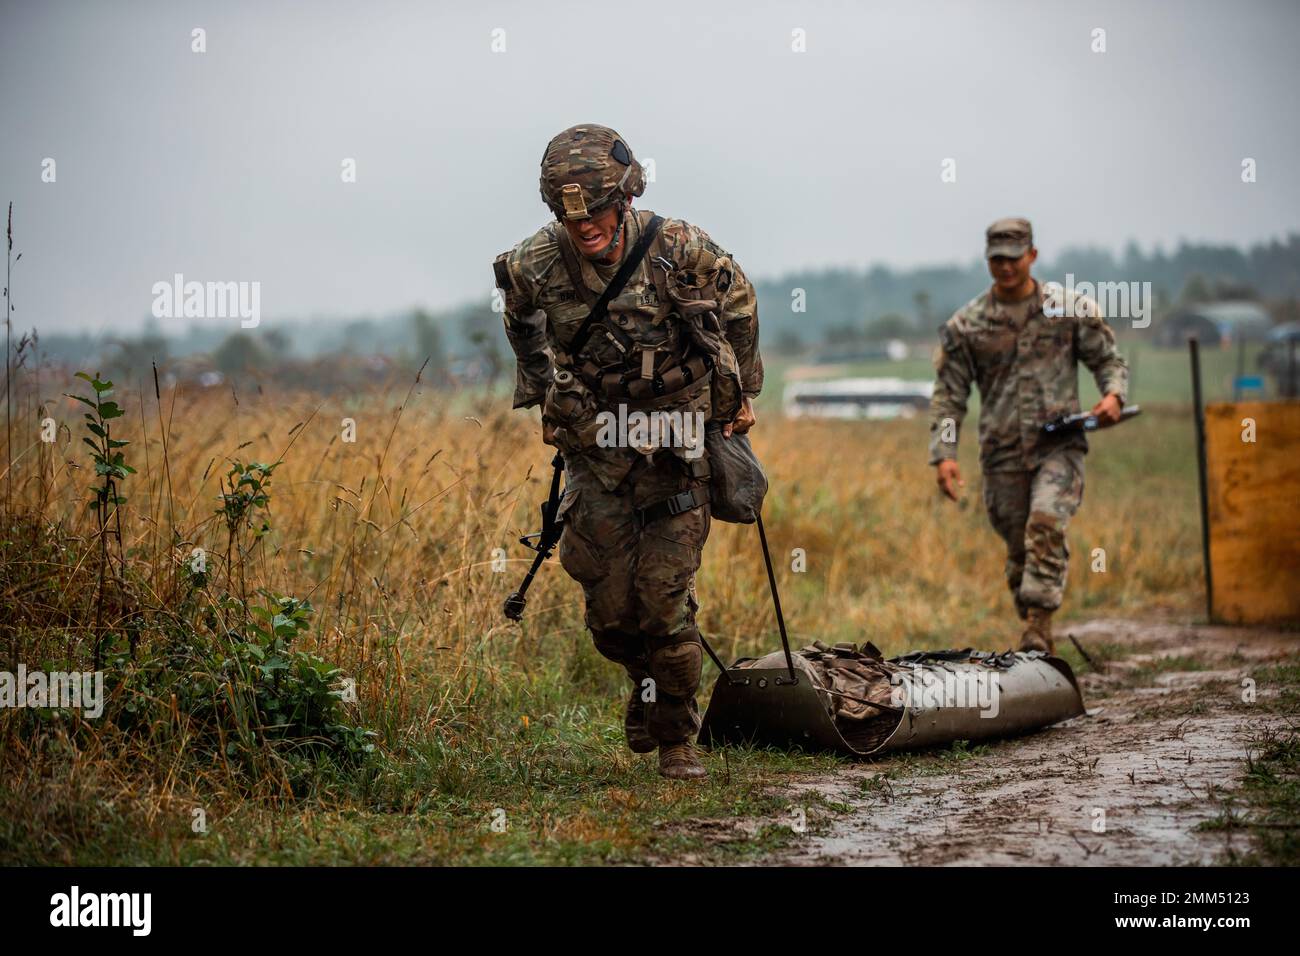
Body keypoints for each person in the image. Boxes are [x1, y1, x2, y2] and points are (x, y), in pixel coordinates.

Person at [493, 124, 762, 779]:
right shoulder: (535, 261)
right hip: (595, 442)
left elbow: (741, 306)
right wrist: (541, 386)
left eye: (599, 210)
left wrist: (740, 391)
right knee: (609, 612)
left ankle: (676, 738)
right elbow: (517, 316)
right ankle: (644, 685)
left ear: (626, 195)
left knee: (663, 598)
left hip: (676, 438)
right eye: (567, 212)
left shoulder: (677, 248)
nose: (585, 226)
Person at [928, 218, 1128, 653]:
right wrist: (944, 453)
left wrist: (1113, 395)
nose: (1005, 267)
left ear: (1032, 256)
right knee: (1020, 547)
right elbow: (949, 396)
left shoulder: (1068, 308)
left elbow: (1108, 360)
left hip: (1059, 445)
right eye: (997, 259)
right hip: (1002, 454)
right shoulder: (967, 326)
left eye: (1014, 258)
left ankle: (1038, 626)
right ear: (987, 261)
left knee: (1046, 522)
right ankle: (1036, 632)